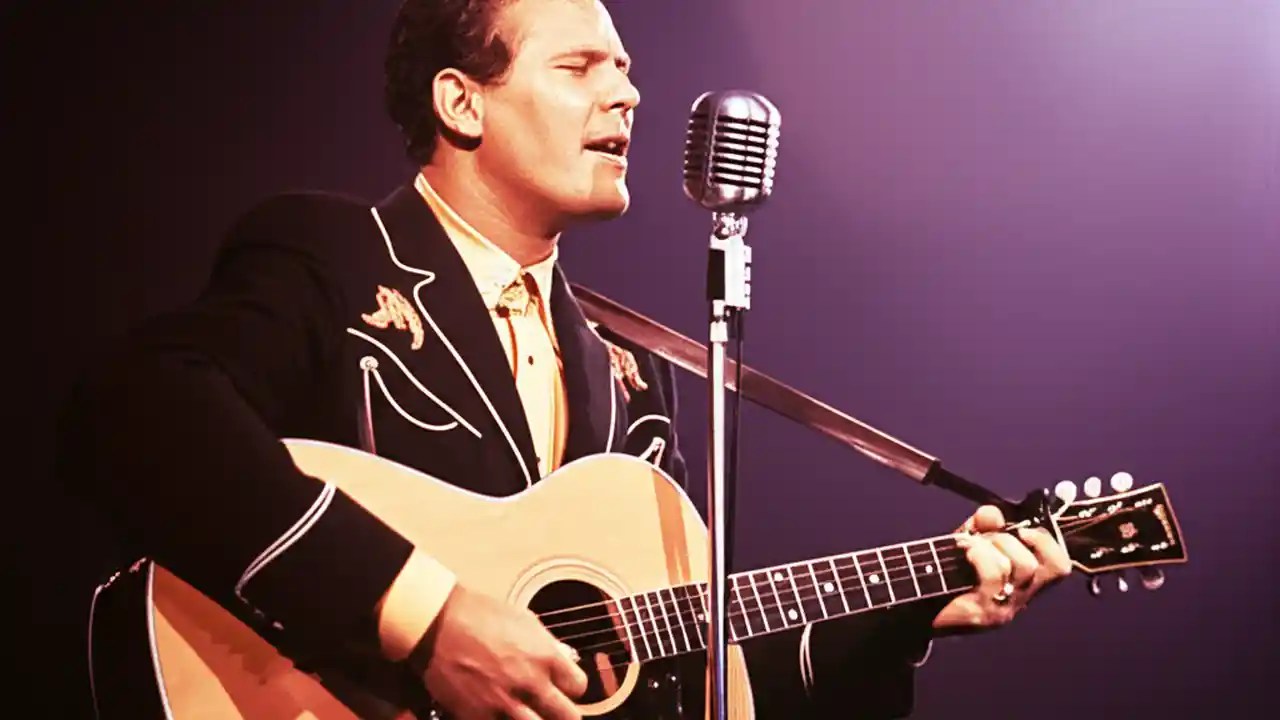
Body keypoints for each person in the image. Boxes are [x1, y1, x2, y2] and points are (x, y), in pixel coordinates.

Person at [55, 0, 1071, 718]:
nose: (626, 94)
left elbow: (694, 672)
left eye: (625, 68)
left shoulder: (633, 371)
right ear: (461, 102)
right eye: (579, 67)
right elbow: (140, 415)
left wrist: (918, 607)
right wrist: (429, 618)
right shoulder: (334, 254)